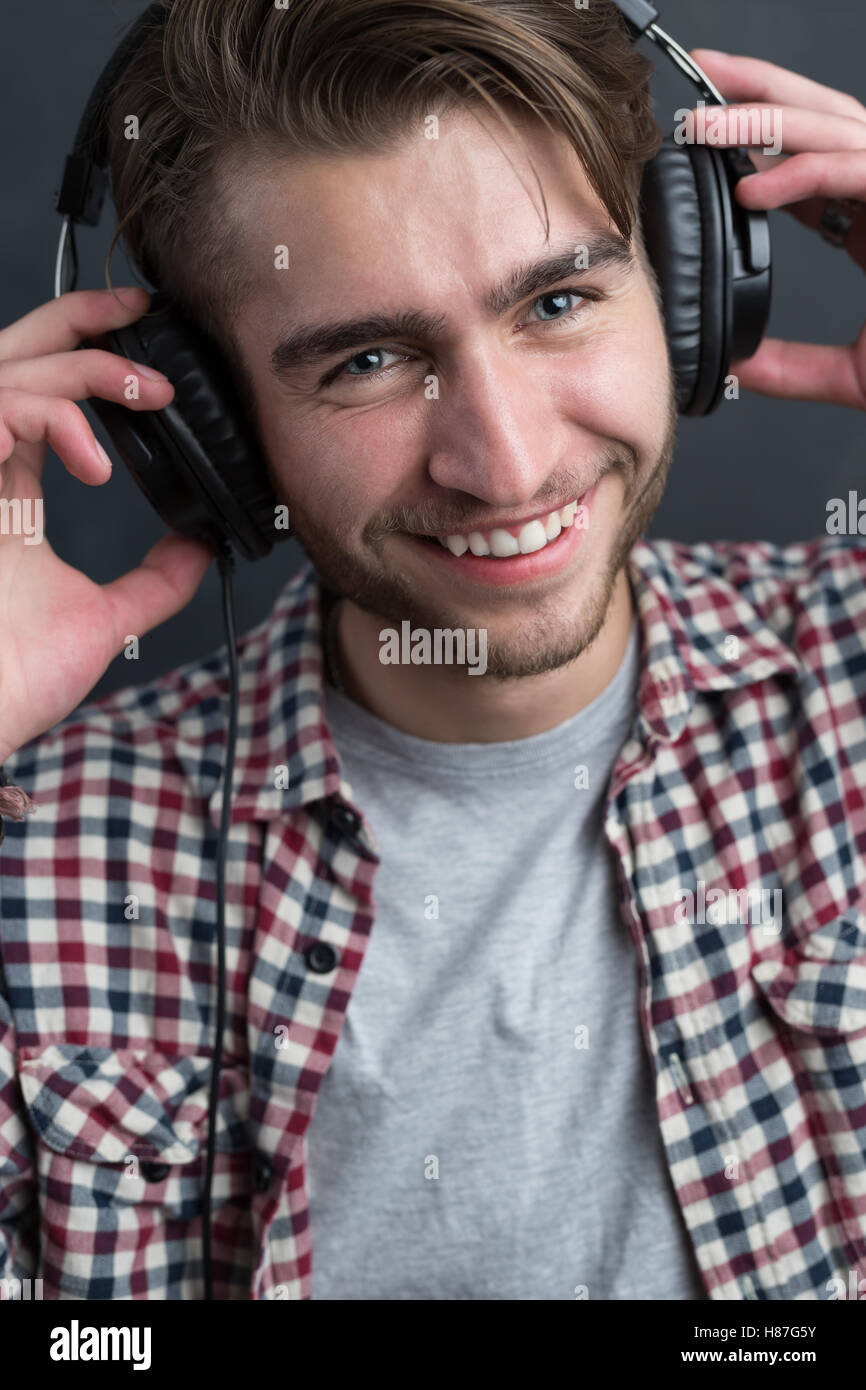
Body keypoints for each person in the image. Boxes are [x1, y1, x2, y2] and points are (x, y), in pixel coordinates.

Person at [0, 0, 864, 1302]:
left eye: (559, 298)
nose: (503, 463)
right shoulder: (39, 850)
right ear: (211, 429)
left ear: (691, 288)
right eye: (366, 359)